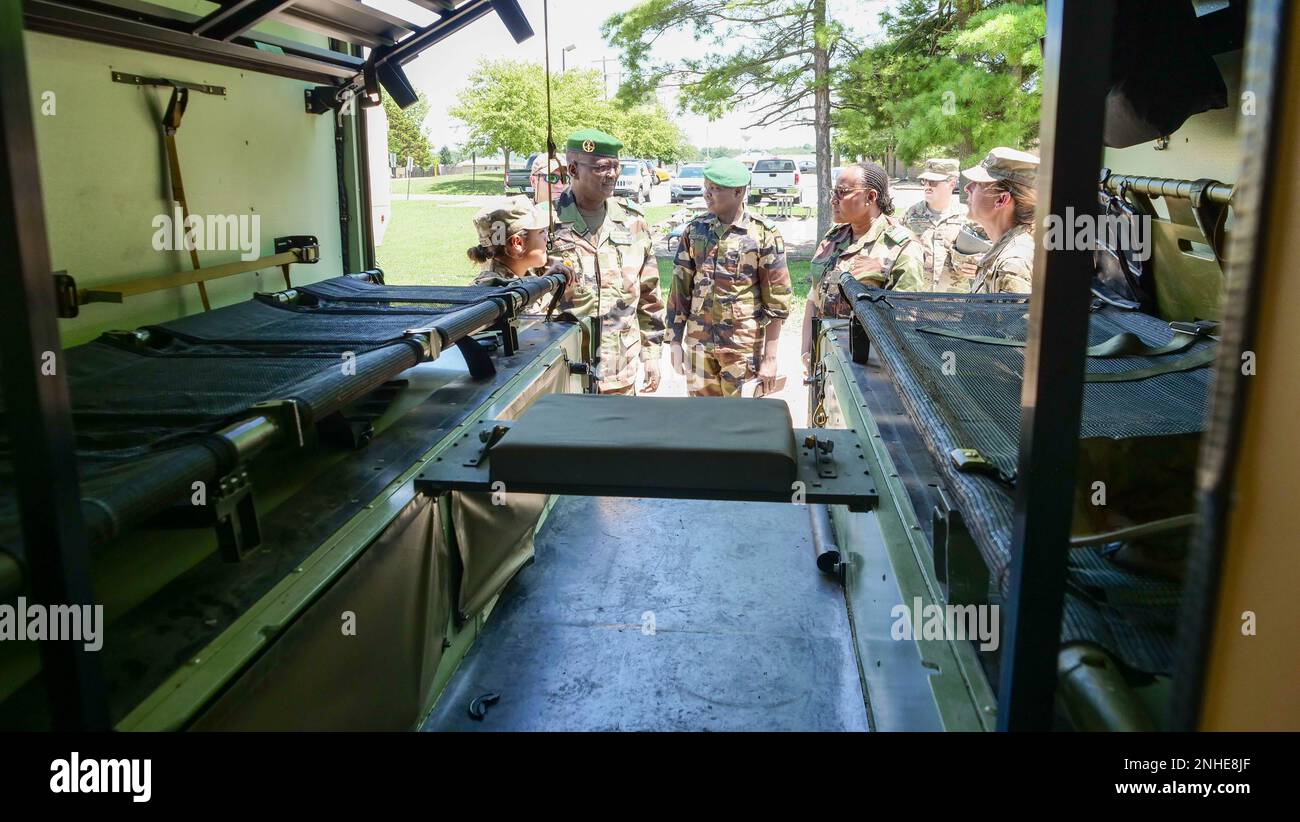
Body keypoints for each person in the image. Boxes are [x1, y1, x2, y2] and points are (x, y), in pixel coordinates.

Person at [550, 128, 666, 394]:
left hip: (620, 372)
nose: (612, 174)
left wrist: (651, 354)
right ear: (573, 169)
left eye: (616, 167)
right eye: (602, 167)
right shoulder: (546, 223)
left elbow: (650, 294)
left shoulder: (633, 220)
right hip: (563, 374)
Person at [667, 157, 792, 398]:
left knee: (741, 425)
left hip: (741, 349)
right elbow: (679, 290)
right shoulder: (695, 230)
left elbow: (777, 303)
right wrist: (675, 342)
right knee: (702, 422)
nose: (707, 195)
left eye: (715, 189)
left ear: (738, 192)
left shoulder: (763, 234)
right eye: (706, 187)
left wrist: (770, 358)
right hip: (699, 347)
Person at [801, 162, 924, 371]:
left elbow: (905, 321)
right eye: (834, 192)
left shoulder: (902, 246)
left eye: (842, 192)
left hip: (866, 366)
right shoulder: (834, 237)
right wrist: (808, 350)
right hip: (824, 358)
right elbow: (814, 298)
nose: (833, 200)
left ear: (871, 197)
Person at [961, 147, 1040, 294]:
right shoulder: (1007, 250)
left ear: (1001, 199)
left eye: (978, 183)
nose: (967, 188)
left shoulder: (1013, 265)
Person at [901, 158, 986, 292]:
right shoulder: (910, 215)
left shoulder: (968, 217)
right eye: (925, 181)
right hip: (916, 301)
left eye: (933, 182)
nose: (927, 186)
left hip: (953, 304)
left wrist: (977, 266)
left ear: (951, 183)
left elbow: (987, 255)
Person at [466, 194, 550, 285]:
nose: (547, 238)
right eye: (542, 232)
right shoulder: (499, 293)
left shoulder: (512, 281)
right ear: (517, 243)